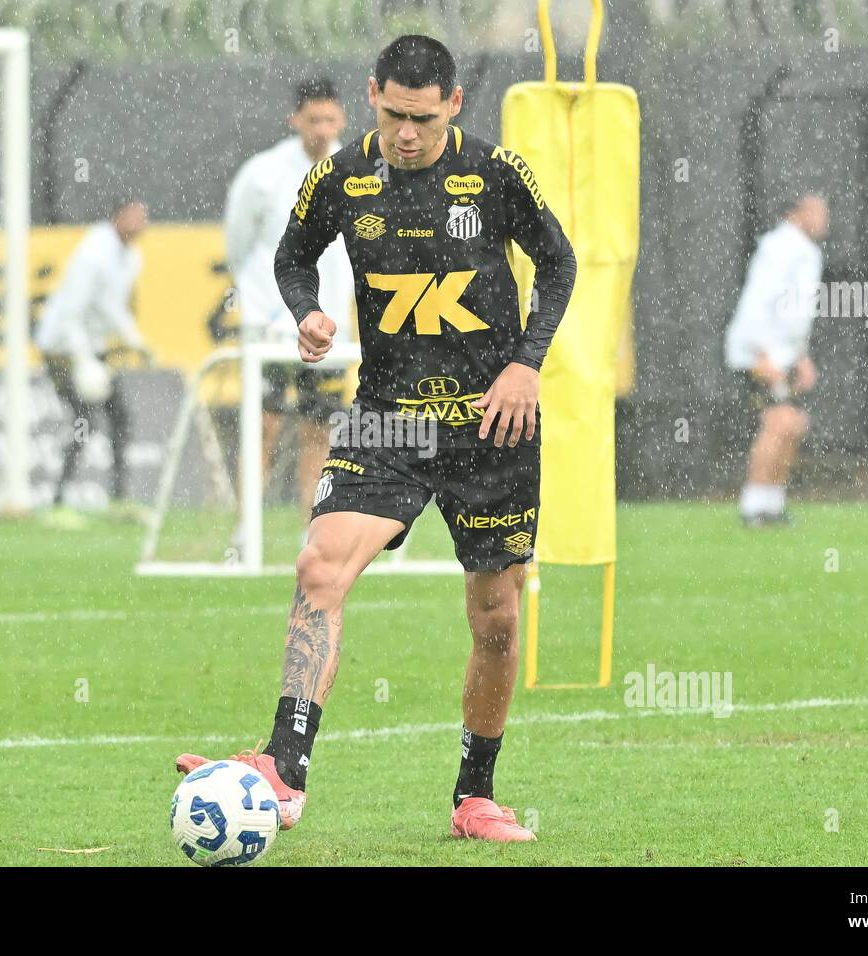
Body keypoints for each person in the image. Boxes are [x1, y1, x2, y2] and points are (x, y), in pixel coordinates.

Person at [175, 36, 576, 843]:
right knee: (319, 565)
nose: (405, 134)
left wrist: (526, 365)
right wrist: (309, 312)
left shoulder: (495, 174)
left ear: (453, 105)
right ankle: (285, 772)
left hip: (492, 428)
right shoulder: (342, 174)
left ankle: (475, 797)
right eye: (391, 114)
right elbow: (293, 259)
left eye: (421, 119)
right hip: (387, 420)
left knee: (496, 617)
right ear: (372, 97)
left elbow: (559, 265)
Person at [224, 78, 356, 511]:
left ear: (342, 119)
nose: (322, 128)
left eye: (330, 119)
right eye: (313, 119)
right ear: (295, 120)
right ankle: (246, 532)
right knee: (265, 425)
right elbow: (238, 246)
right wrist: (263, 305)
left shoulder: (358, 171)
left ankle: (311, 528)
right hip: (272, 327)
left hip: (328, 326)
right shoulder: (263, 174)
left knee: (319, 430)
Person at [34, 199, 153, 525]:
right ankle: (57, 504)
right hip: (62, 349)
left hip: (92, 348)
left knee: (120, 418)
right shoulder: (93, 254)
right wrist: (83, 360)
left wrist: (133, 338)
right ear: (116, 216)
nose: (140, 223)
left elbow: (110, 306)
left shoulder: (130, 256)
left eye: (143, 217)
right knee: (84, 421)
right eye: (133, 216)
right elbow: (71, 312)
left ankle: (118, 501)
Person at [725, 194, 828, 526]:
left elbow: (794, 312)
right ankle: (753, 507)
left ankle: (771, 504)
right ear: (796, 213)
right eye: (816, 210)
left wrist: (801, 356)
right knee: (779, 423)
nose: (824, 217)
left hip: (782, 353)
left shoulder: (805, 252)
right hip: (757, 351)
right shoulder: (779, 248)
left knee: (794, 425)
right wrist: (762, 353)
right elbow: (759, 301)